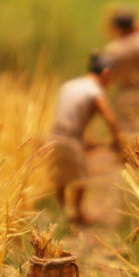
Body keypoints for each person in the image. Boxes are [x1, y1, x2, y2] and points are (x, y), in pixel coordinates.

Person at [47, 51, 122, 225]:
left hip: (54, 135)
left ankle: (60, 212)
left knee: (60, 178)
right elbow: (110, 119)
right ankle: (77, 215)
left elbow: (67, 115)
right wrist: (118, 141)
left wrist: (84, 139)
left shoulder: (69, 85)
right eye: (112, 77)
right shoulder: (95, 90)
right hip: (70, 139)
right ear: (106, 73)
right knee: (81, 179)